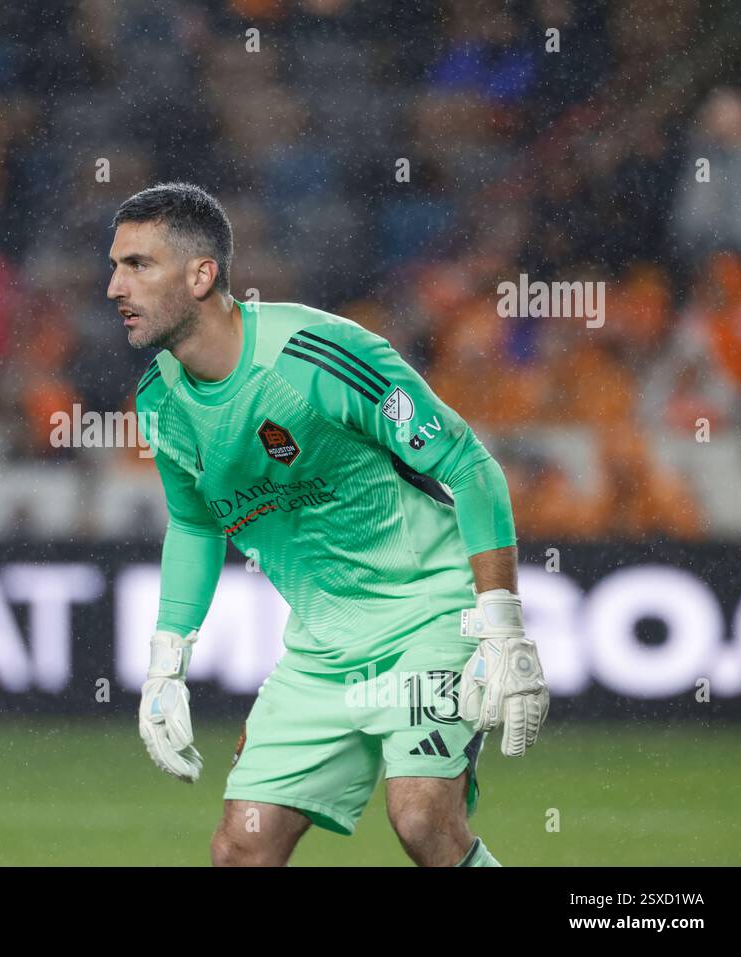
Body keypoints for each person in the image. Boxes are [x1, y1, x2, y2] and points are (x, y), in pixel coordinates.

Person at [108, 182, 549, 867]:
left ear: (201, 274)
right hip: (321, 648)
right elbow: (195, 526)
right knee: (241, 848)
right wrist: (167, 665)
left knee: (422, 819)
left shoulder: (315, 353)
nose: (114, 285)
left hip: (428, 614)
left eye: (137, 264)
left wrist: (501, 624)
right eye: (115, 264)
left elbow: (469, 464)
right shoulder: (159, 400)